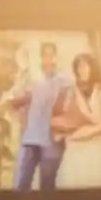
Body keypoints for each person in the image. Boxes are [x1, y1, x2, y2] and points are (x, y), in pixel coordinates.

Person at [11, 42, 72, 191]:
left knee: (47, 187)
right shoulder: (30, 78)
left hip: (52, 140)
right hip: (30, 137)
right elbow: (16, 103)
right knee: (21, 185)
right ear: (40, 57)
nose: (48, 58)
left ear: (56, 57)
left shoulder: (64, 80)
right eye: (44, 54)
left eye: (51, 54)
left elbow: (67, 108)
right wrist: (25, 98)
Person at [54, 53, 101, 189]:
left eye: (84, 66)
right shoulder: (72, 92)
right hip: (78, 144)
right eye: (78, 67)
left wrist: (95, 127)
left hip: (98, 146)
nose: (80, 71)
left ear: (92, 68)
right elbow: (67, 118)